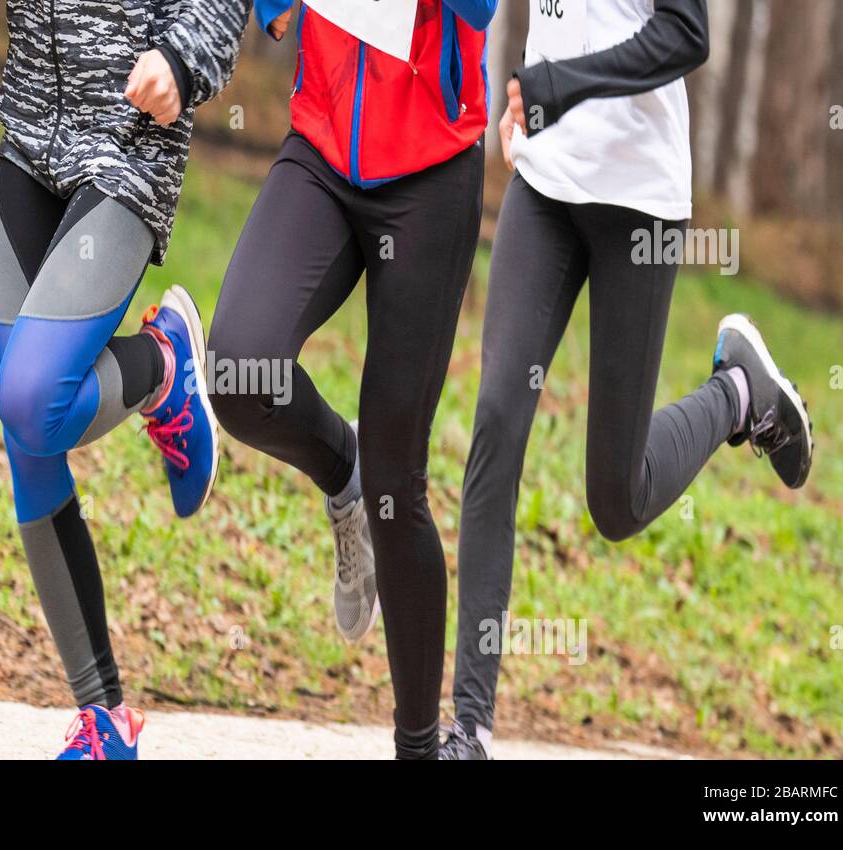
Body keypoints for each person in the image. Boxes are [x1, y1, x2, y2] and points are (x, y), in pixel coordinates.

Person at [445, 0, 813, 760]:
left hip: (636, 208)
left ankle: (740, 393)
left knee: (619, 500)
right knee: (496, 424)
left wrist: (563, 83)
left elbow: (686, 35)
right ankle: (469, 728)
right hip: (543, 186)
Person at [210, 0, 497, 759]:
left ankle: (418, 745)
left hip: (431, 172)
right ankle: (344, 469)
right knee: (239, 370)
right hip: (324, 139)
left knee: (398, 485)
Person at [0, 0, 249, 760]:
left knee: (34, 399)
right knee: (27, 441)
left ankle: (164, 366)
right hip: (31, 130)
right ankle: (105, 722)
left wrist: (182, 55)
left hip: (128, 142)